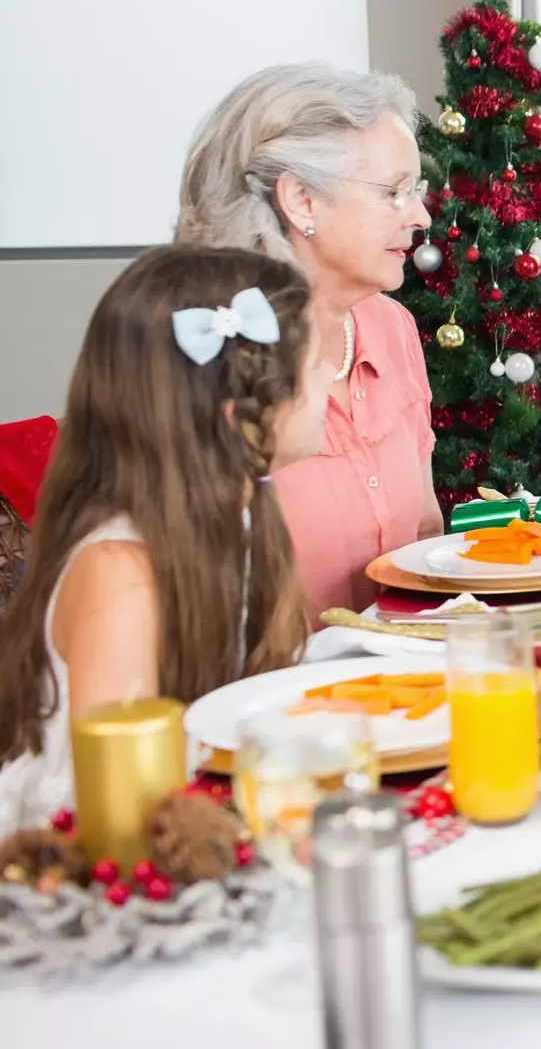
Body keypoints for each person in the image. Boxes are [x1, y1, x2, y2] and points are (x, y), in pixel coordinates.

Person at [0, 246, 325, 835]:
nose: (331, 376)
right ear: (238, 415)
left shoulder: (247, 511)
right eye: (317, 363)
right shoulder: (121, 573)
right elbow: (119, 818)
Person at [177, 63, 441, 616]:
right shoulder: (208, 352)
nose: (420, 216)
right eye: (394, 192)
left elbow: (423, 531)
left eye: (415, 190)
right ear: (300, 200)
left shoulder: (390, 328)